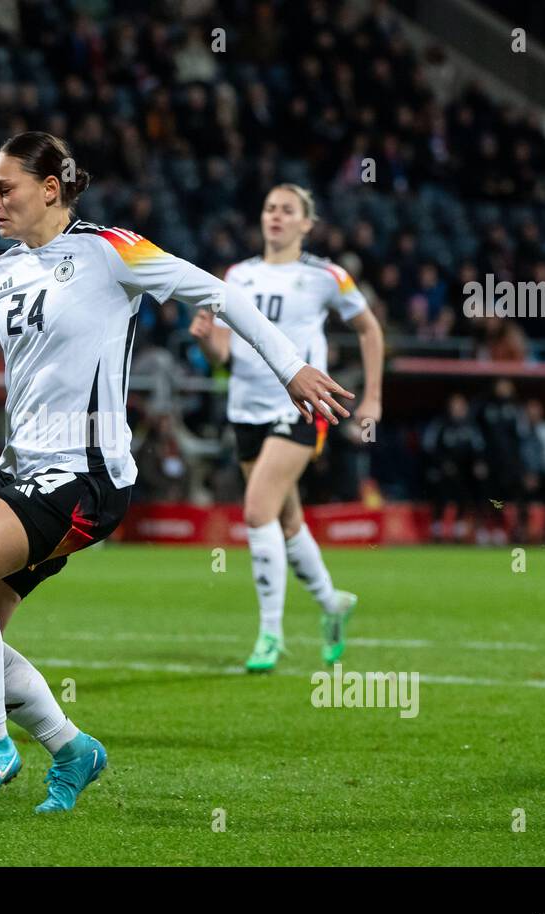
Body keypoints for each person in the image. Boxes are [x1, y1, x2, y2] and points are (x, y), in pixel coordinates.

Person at [0, 132, 351, 813]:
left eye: (6, 188)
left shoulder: (109, 251)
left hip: (84, 478)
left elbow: (220, 297)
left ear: (51, 187)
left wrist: (290, 365)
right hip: (22, 474)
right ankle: (70, 747)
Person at [189, 184, 383, 671]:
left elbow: (369, 328)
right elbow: (227, 358)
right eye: (270, 207)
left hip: (299, 408)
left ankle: (270, 635)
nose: (276, 215)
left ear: (306, 224)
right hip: (245, 409)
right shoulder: (238, 275)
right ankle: (332, 603)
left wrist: (374, 397)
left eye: (287, 210)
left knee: (257, 511)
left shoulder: (325, 277)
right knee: (286, 520)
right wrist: (209, 344)